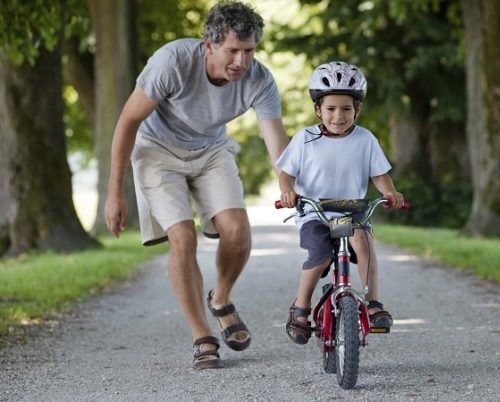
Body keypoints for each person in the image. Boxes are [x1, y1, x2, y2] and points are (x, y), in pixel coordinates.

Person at [103, 1, 289, 369]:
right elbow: (127, 122)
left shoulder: (259, 79)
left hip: (210, 151)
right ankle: (201, 335)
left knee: (237, 230)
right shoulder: (172, 62)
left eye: (249, 50)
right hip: (157, 151)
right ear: (209, 45)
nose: (241, 61)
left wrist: (288, 186)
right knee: (183, 237)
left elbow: (276, 141)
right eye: (232, 51)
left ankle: (220, 299)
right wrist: (114, 193)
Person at [277, 61, 404, 345]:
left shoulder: (365, 139)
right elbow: (286, 173)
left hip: (350, 211)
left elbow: (379, 175)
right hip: (315, 212)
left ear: (357, 109)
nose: (338, 116)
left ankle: (372, 303)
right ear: (318, 109)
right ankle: (301, 307)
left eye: (346, 109)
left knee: (362, 238)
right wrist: (288, 192)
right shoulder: (305, 139)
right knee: (320, 254)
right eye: (331, 109)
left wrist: (391, 193)